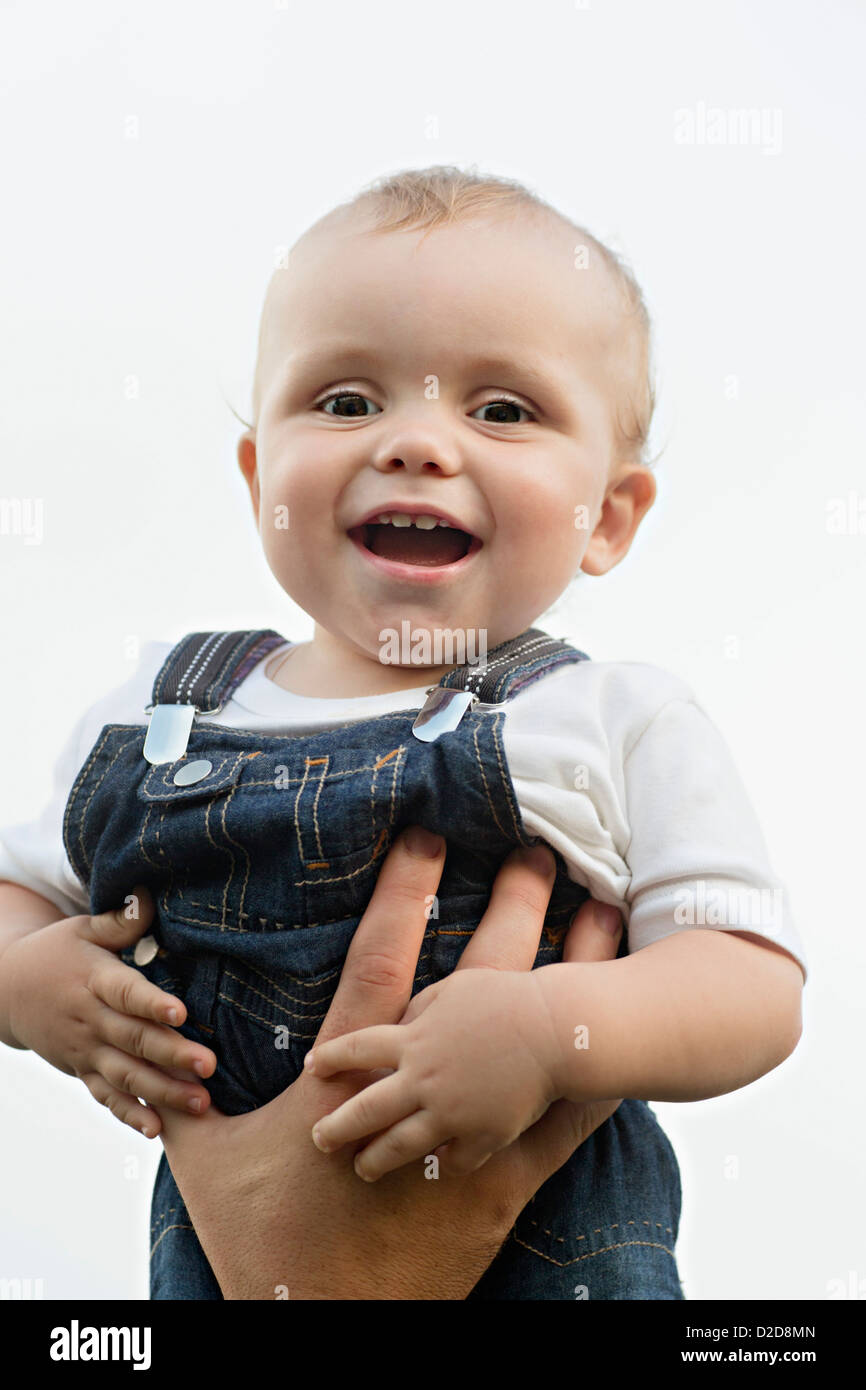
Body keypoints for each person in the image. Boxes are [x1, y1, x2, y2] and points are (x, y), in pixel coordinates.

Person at [0, 164, 806, 1300]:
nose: (416, 443)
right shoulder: (166, 711)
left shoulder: (609, 717)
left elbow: (750, 986)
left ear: (607, 516)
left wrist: (548, 1032)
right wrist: (31, 984)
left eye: (500, 410)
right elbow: (20, 896)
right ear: (256, 478)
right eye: (344, 401)